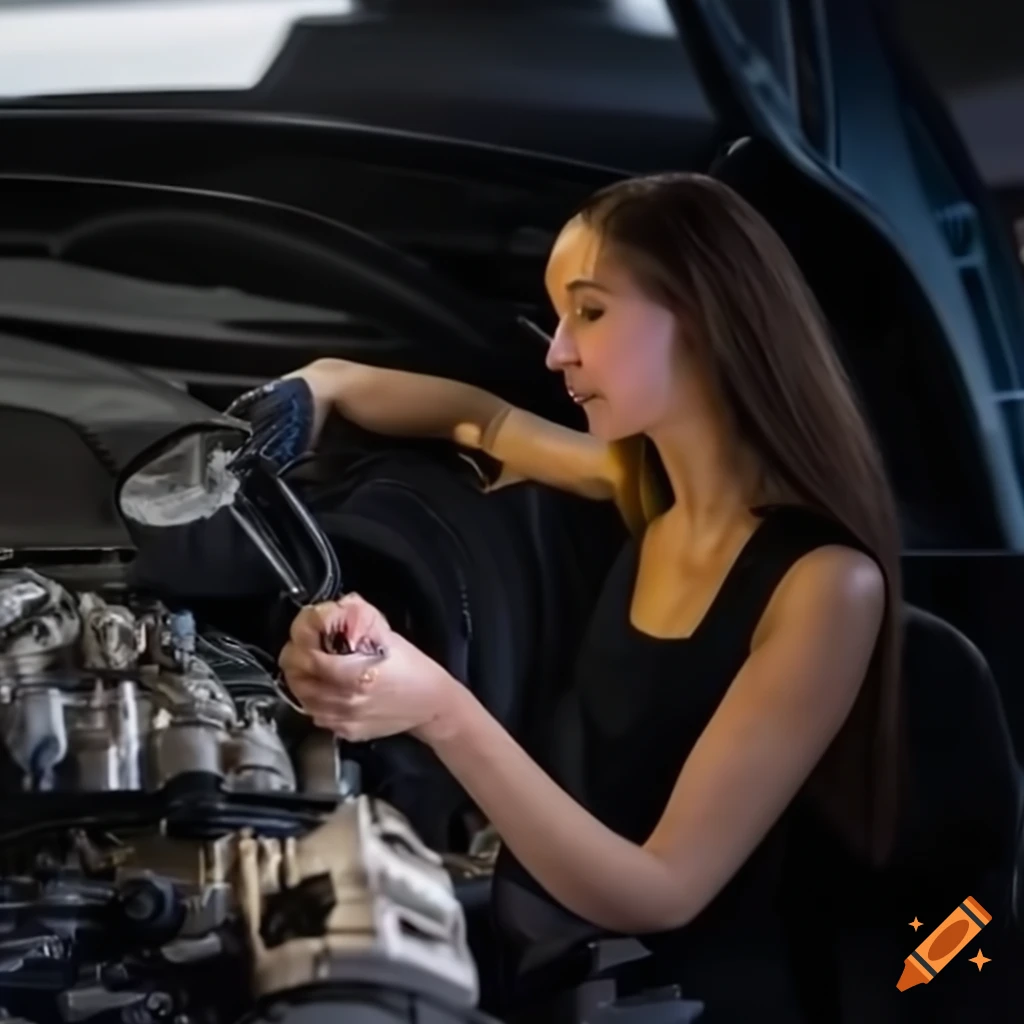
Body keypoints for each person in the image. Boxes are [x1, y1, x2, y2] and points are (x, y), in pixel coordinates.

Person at [234, 173, 906, 1023]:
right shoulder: (643, 488)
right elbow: (481, 420)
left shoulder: (826, 587)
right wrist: (326, 383)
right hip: (545, 952)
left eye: (589, 312)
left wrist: (438, 705)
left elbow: (661, 890)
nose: (557, 351)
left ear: (706, 316)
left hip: (669, 997)